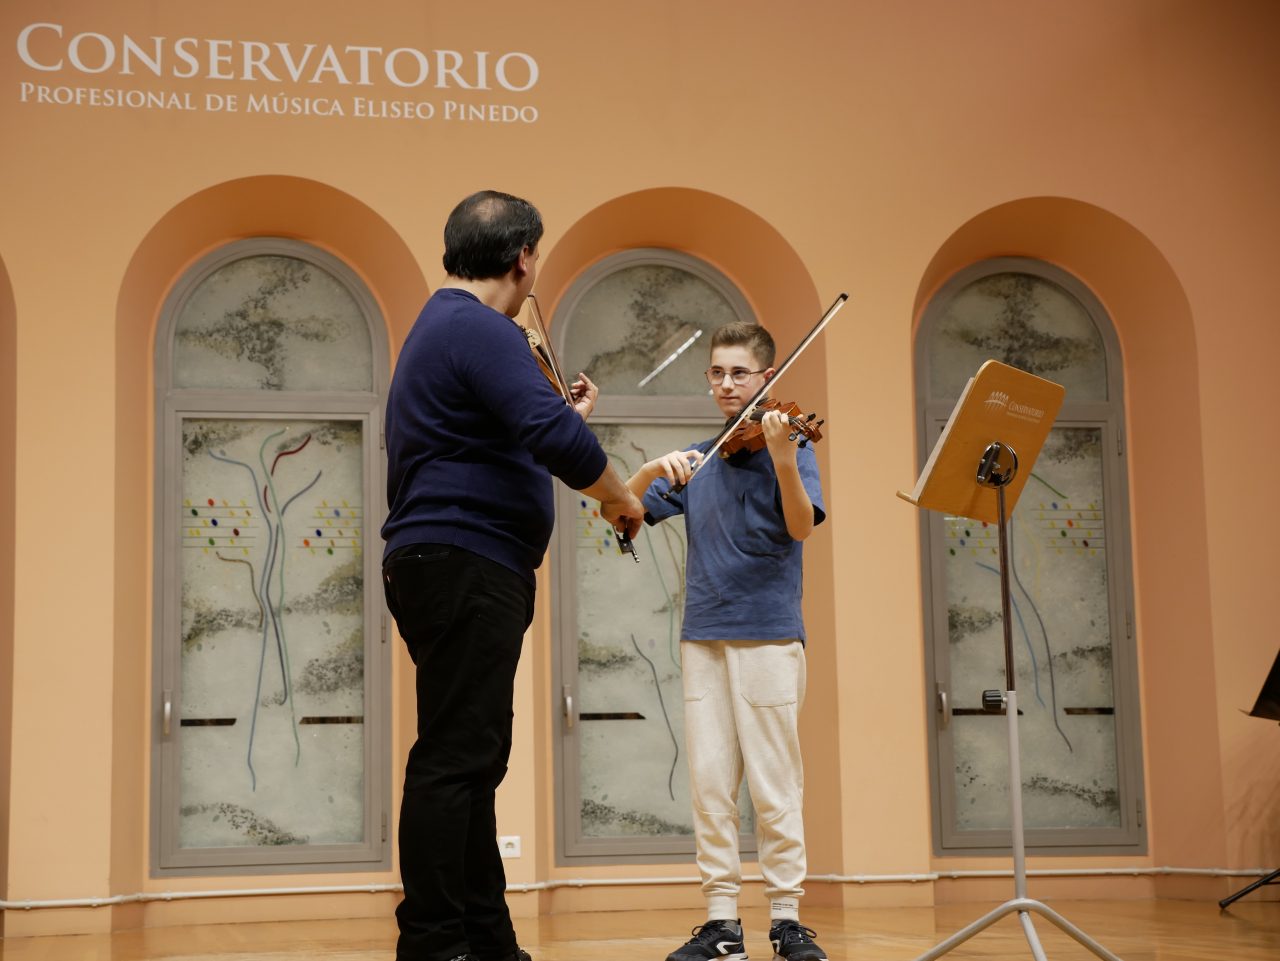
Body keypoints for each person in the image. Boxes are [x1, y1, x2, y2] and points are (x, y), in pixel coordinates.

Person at [382, 190, 645, 961]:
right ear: (524, 255)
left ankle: (487, 943)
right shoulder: (481, 327)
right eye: (537, 257)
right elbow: (551, 439)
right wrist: (621, 494)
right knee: (456, 759)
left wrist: (566, 423)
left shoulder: (447, 327)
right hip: (466, 561)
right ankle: (433, 945)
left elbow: (527, 433)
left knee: (471, 757)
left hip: (449, 562)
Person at [626, 322, 828, 961]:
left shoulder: (790, 447)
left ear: (767, 378)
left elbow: (801, 528)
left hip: (768, 633)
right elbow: (620, 512)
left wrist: (786, 460)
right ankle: (721, 923)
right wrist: (649, 469)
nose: (726, 383)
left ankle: (788, 918)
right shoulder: (698, 459)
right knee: (711, 784)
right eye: (716, 371)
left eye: (739, 372)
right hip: (703, 636)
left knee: (774, 783)